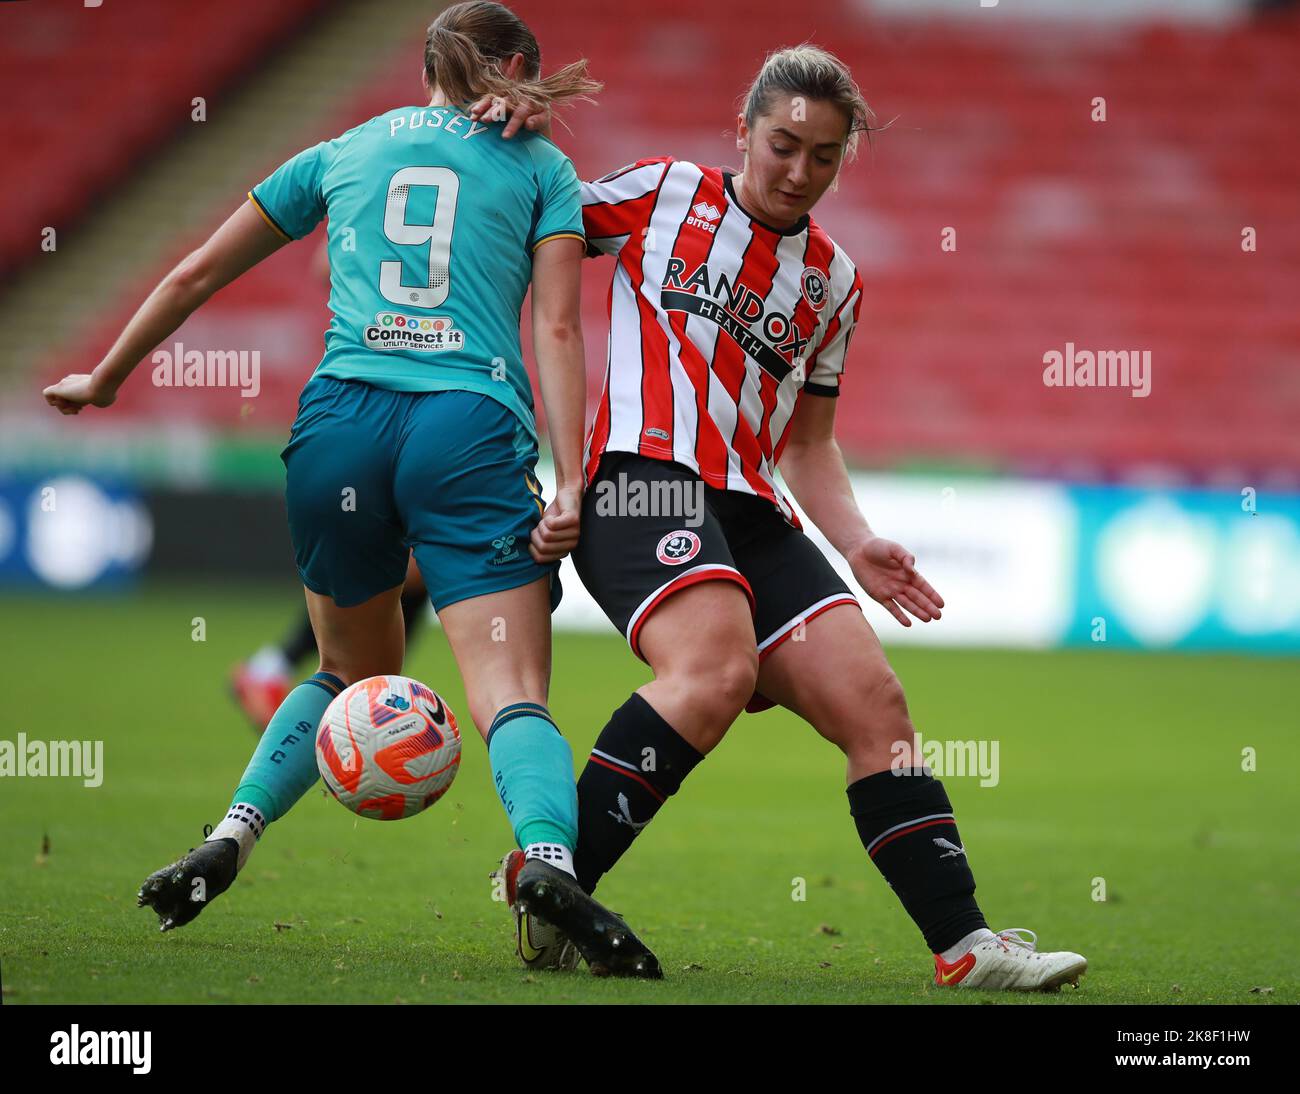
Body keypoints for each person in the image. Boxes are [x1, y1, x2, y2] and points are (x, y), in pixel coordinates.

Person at [43, 0, 659, 979]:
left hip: (338, 427)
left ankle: (234, 831)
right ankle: (546, 861)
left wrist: (106, 377)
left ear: (425, 70)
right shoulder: (544, 172)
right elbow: (556, 331)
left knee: (342, 671)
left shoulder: (340, 149)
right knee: (509, 692)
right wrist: (570, 476)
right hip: (465, 426)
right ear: (514, 75)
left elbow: (199, 269)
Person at [476, 43, 1087, 991]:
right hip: (643, 481)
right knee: (716, 669)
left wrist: (858, 541)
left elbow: (807, 444)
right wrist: (508, 132)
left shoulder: (835, 281)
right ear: (743, 131)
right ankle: (557, 884)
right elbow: (531, 219)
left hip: (755, 509)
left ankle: (968, 948)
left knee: (878, 710)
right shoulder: (660, 191)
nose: (800, 171)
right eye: (783, 145)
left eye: (825, 156)